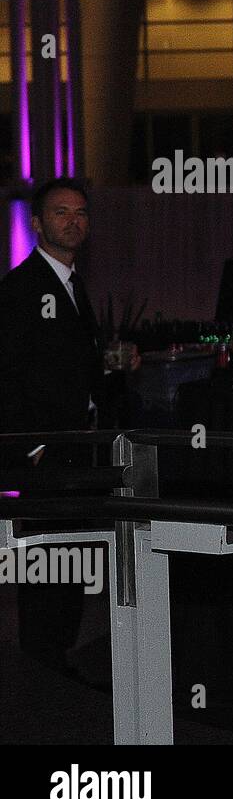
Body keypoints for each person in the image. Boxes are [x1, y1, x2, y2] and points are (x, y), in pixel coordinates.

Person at [0, 178, 105, 674]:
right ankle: (44, 657)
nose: (73, 220)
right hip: (49, 447)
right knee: (50, 551)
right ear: (37, 223)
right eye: (61, 212)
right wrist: (33, 445)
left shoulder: (71, 283)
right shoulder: (22, 287)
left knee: (71, 548)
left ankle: (55, 653)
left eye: (80, 212)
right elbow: (8, 372)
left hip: (73, 442)